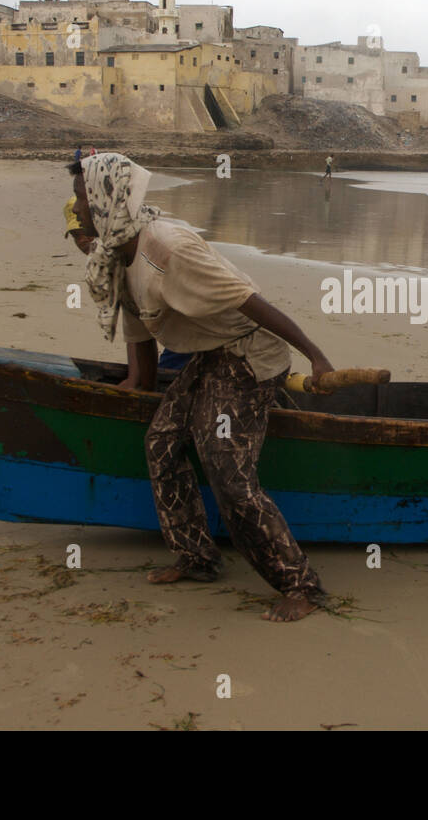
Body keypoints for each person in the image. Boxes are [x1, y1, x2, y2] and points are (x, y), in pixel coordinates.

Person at [69, 153, 335, 622]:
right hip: (209, 355)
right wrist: (128, 393)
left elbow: (252, 304)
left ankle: (301, 585)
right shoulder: (117, 256)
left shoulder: (168, 250)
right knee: (161, 442)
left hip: (250, 354)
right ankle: (197, 558)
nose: (77, 208)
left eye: (81, 198)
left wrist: (316, 355)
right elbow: (142, 354)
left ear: (103, 199)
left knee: (227, 469)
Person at [63, 195, 191, 370]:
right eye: (76, 236)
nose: (82, 241)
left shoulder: (135, 252)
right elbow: (135, 325)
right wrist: (135, 377)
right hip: (176, 332)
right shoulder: (112, 261)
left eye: (85, 233)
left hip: (193, 328)